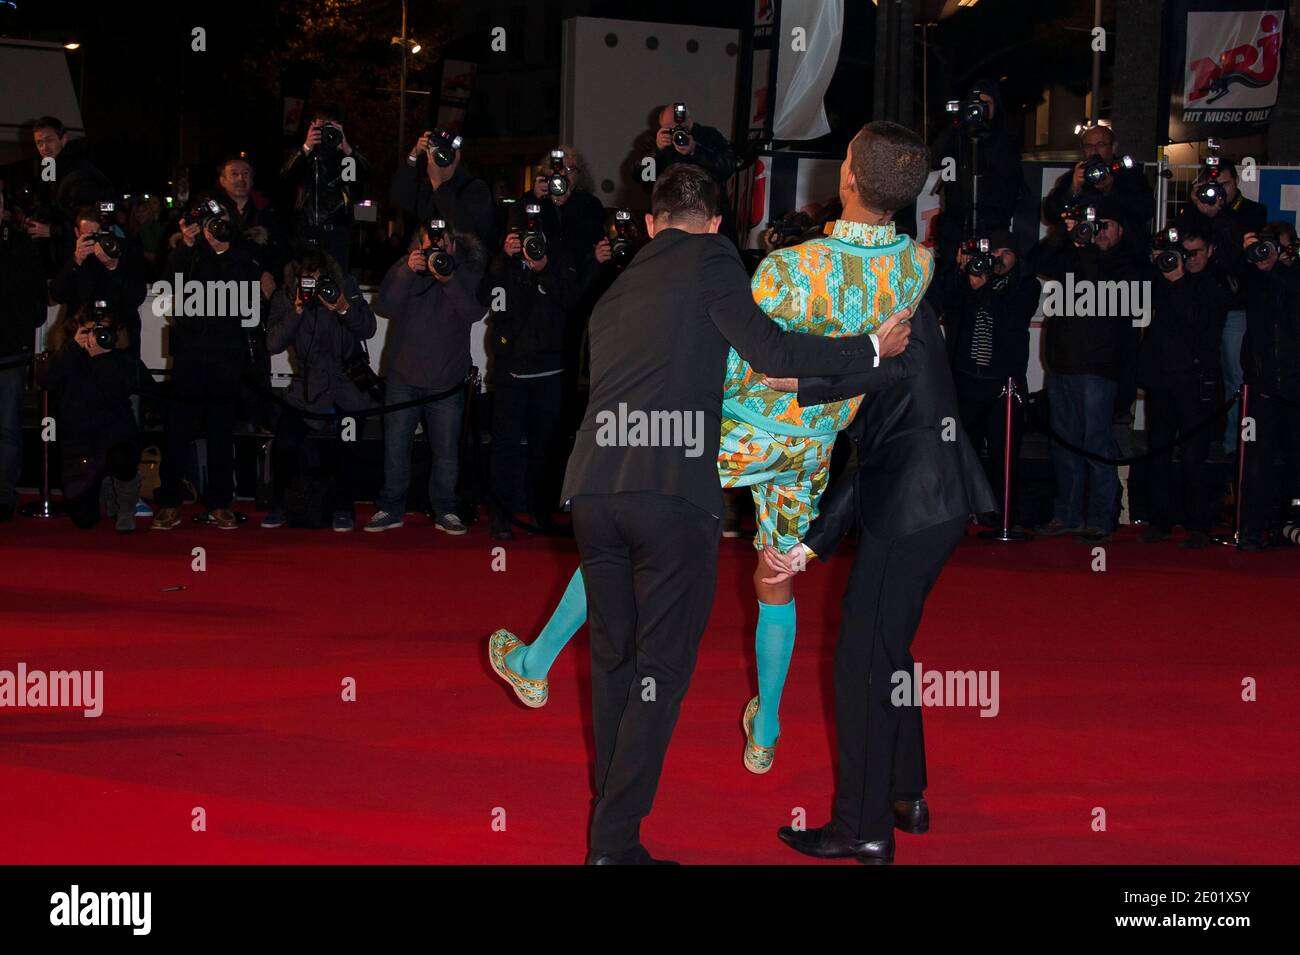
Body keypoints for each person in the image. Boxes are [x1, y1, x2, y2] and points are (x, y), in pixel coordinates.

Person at [488, 123, 934, 783]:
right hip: (811, 450)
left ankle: (536, 663)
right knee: (775, 578)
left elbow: (743, 356)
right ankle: (768, 727)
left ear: (847, 179)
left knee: (619, 537)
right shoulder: (918, 266)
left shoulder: (790, 267)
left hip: (730, 431)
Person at [547, 162, 912, 864]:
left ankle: (612, 824)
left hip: (593, 489)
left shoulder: (613, 290)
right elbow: (772, 352)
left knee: (615, 662)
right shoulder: (712, 259)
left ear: (650, 224)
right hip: (669, 495)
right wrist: (870, 346)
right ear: (716, 223)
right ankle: (614, 843)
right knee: (660, 672)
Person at [764, 300, 996, 864]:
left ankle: (861, 829)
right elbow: (867, 459)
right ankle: (902, 794)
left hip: (914, 505)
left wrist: (802, 380)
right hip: (923, 499)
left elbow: (891, 369)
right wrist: (809, 547)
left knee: (864, 662)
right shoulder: (886, 317)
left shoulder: (900, 313)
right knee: (886, 651)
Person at [1033, 196, 1142, 543]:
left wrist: (1086, 247)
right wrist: (1065, 235)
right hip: (1062, 365)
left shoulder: (1128, 263)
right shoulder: (1072, 254)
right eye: (1094, 224)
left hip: (1099, 369)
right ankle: (1065, 514)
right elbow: (1037, 260)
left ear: (1121, 230)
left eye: (1105, 225)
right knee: (1063, 446)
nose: (1097, 232)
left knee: (1096, 445)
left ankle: (1101, 517)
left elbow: (1107, 291)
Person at [152, 196, 264, 531]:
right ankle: (169, 501)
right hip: (189, 354)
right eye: (210, 223)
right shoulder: (185, 253)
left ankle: (220, 503)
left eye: (221, 221)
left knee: (220, 433)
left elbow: (241, 290)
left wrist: (221, 248)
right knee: (177, 432)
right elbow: (172, 285)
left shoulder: (242, 252)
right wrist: (188, 244)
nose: (216, 229)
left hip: (225, 355)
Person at [367, 223, 487, 533]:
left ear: (452, 241)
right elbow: (384, 305)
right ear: (418, 242)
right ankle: (391, 507)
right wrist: (407, 270)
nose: (435, 244)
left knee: (446, 451)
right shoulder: (406, 264)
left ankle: (445, 508)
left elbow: (475, 311)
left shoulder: (467, 270)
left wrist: (448, 278)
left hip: (446, 380)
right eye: (429, 239)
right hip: (402, 377)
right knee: (395, 448)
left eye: (441, 239)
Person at [262, 248, 377, 531]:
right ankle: (279, 504)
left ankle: (343, 507)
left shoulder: (345, 287)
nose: (313, 283)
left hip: (347, 385)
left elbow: (368, 328)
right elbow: (272, 343)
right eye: (307, 278)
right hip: (307, 388)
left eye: (318, 277)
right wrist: (297, 309)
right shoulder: (287, 296)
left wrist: (341, 306)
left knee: (348, 447)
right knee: (285, 444)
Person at [1137, 225, 1231, 548]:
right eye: (1184, 253)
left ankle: (1198, 525)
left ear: (1211, 252)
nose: (1189, 259)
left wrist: (1177, 281)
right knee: (1159, 452)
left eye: (1196, 253)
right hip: (1162, 379)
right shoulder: (1163, 277)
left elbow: (1197, 321)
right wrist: (1157, 261)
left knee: (1195, 456)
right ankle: (1159, 521)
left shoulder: (1215, 284)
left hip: (1196, 382)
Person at [943, 227, 1040, 525]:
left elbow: (1010, 320)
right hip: (966, 378)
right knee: (963, 449)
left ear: (1016, 258)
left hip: (1003, 383)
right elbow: (948, 306)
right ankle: (963, 511)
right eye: (993, 253)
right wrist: (961, 273)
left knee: (1003, 451)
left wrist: (982, 288)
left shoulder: (1026, 285)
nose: (998, 259)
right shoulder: (970, 279)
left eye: (1006, 253)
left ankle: (1004, 513)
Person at [1174, 158, 1267, 455]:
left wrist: (1218, 214)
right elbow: (1181, 242)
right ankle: (1191, 439)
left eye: (1224, 185)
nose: (1218, 192)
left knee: (1235, 377)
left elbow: (1244, 251)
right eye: (1212, 187)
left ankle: (1232, 445)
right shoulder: (1194, 211)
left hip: (1235, 306)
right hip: (1199, 305)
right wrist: (1194, 207)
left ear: (1236, 182)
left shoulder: (1253, 211)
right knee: (1190, 371)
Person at [36, 304, 141, 531]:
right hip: (80, 445)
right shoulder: (66, 355)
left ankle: (126, 505)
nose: (95, 337)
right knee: (83, 520)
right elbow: (46, 380)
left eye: (102, 331)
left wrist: (102, 358)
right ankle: (102, 484)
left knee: (123, 458)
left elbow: (123, 389)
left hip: (115, 438)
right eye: (89, 331)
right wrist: (73, 347)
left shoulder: (120, 357)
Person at [1237, 230, 1300, 550]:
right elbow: (1232, 286)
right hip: (1262, 387)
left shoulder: (1293, 276)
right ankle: (1251, 529)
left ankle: (1292, 524)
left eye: (1272, 248)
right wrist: (1252, 257)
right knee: (1257, 461)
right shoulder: (1255, 278)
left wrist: (1282, 267)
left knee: (1296, 459)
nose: (1265, 254)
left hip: (1296, 386)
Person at [0, 195, 49, 522]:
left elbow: (36, 301)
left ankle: (3, 496)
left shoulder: (20, 245)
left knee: (7, 428)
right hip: (13, 348)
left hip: (9, 351)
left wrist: (19, 327)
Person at [50, 205, 148, 357]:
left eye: (98, 235)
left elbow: (136, 296)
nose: (95, 241)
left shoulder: (127, 249)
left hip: (118, 337)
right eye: (88, 235)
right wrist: (77, 261)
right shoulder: (72, 253)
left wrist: (113, 267)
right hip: (80, 336)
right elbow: (57, 295)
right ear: (77, 233)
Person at [281, 106, 370, 269]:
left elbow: (363, 177)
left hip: (336, 232)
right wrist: (306, 148)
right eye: (322, 126)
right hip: (307, 230)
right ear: (312, 126)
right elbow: (286, 178)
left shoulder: (345, 159)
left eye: (332, 127)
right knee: (306, 278)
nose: (326, 132)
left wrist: (347, 149)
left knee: (336, 279)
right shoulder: (304, 157)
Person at [1042, 124, 1153, 247]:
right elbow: (1050, 215)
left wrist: (1111, 189)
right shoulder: (1073, 177)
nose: (1094, 151)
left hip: (1123, 253)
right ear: (1082, 149)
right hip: (1080, 252)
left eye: (1101, 145)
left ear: (1114, 147)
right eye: (1088, 146)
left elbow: (1146, 210)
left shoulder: (1129, 174)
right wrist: (1073, 189)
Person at [390, 129, 497, 252]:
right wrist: (414, 155)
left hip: (462, 267)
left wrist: (438, 186)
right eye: (435, 150)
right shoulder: (427, 187)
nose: (440, 155)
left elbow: (466, 228)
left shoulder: (476, 188)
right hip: (427, 261)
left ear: (457, 155)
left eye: (445, 151)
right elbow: (399, 195)